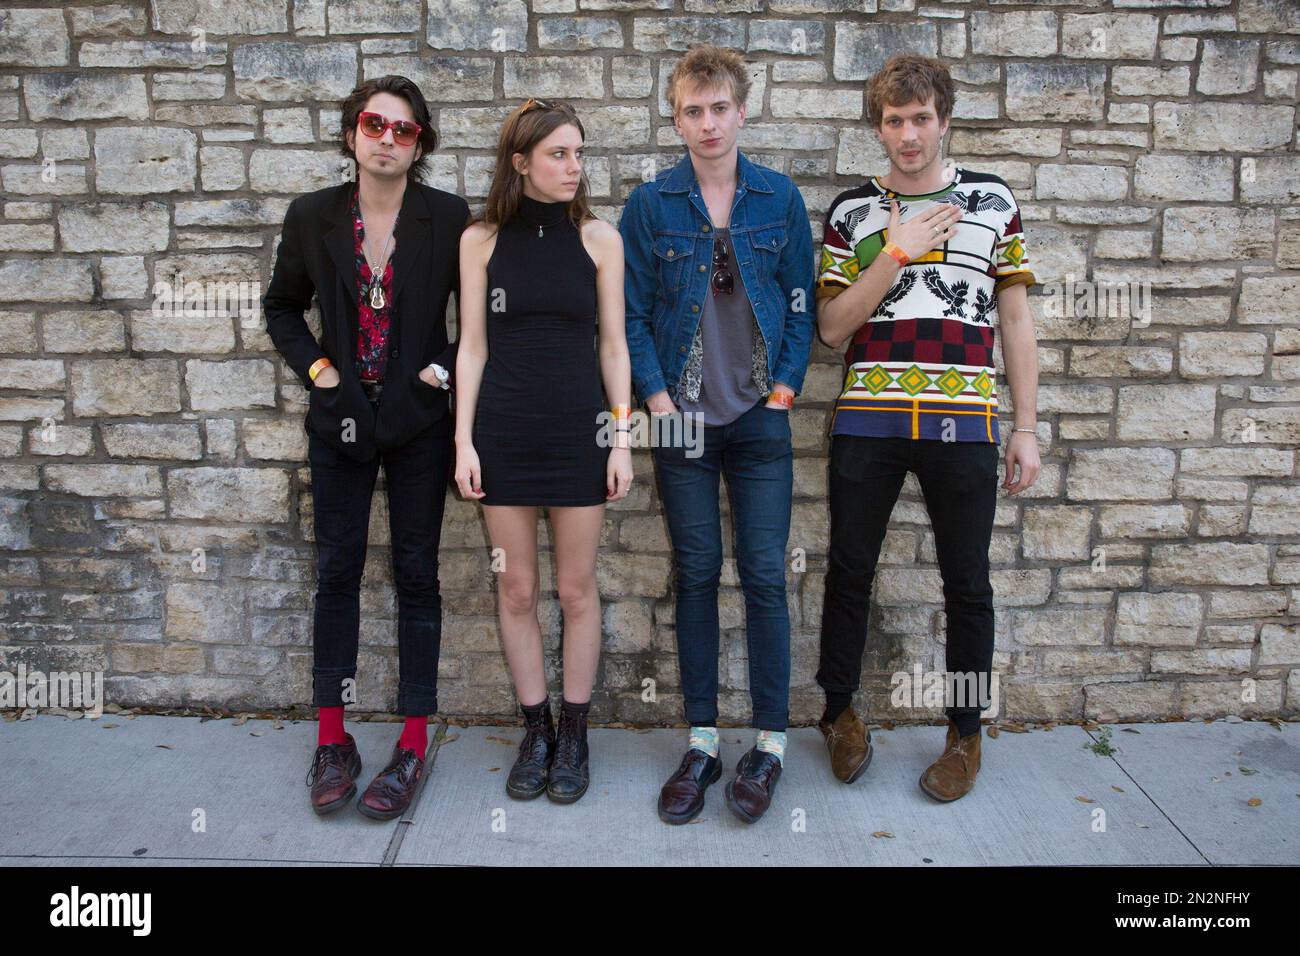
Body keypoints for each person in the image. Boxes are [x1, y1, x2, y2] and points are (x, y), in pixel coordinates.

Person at [813, 54, 1040, 801]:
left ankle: (965, 733)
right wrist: (896, 252)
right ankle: (838, 714)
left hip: (964, 420)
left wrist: (1027, 426)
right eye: (894, 121)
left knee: (967, 581)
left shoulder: (992, 200)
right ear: (877, 128)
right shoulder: (852, 212)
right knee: (849, 570)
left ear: (944, 119)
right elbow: (833, 329)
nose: (908, 134)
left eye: (920, 118)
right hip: (869, 420)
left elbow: (1015, 320)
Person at [619, 44, 815, 825]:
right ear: (676, 119)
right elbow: (630, 312)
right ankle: (701, 742)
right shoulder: (651, 205)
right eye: (693, 111)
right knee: (696, 573)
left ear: (742, 111)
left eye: (720, 108)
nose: (708, 123)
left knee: (764, 575)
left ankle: (770, 744)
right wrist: (657, 400)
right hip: (684, 424)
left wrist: (786, 388)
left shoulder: (779, 197)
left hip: (760, 419)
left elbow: (799, 300)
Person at [264, 75, 469, 820]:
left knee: (416, 574)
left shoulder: (449, 219)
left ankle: (413, 741)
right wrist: (321, 372)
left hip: (418, 423)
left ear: (420, 144)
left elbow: (484, 318)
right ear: (352, 132)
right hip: (340, 421)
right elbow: (282, 307)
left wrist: (438, 372)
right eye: (375, 124)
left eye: (403, 129)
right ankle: (332, 738)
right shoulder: (312, 215)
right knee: (337, 571)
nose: (388, 139)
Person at [455, 98, 633, 805]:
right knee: (517, 589)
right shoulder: (480, 241)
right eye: (559, 154)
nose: (573, 166)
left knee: (577, 590)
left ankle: (576, 733)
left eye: (579, 153)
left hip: (579, 435)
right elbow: (472, 347)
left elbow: (614, 347)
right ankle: (536, 730)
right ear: (520, 161)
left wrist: (621, 439)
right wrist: (463, 440)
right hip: (503, 433)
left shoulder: (600, 239)